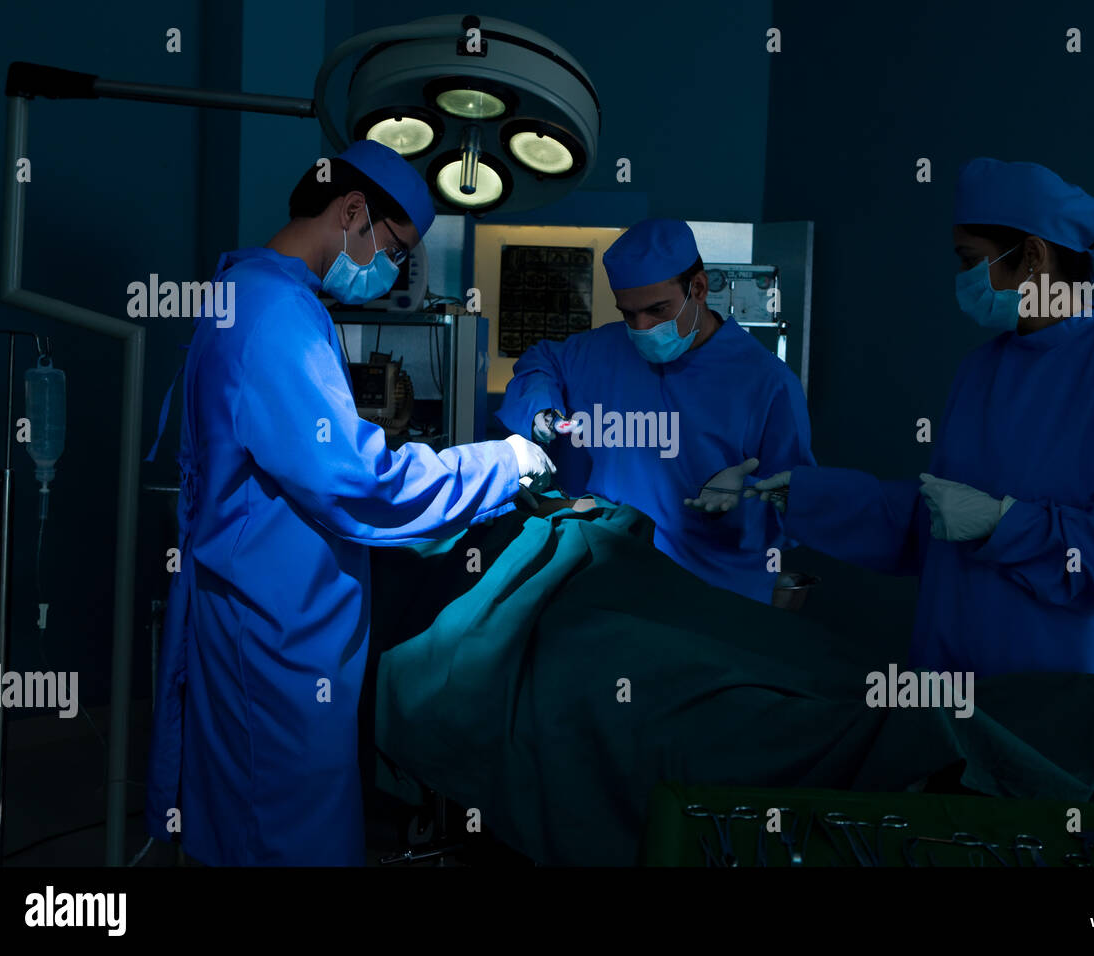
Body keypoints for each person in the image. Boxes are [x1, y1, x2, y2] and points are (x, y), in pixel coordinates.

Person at [725, 158, 1094, 847]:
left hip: (1066, 716)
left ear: (1032, 255)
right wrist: (800, 492)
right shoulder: (981, 370)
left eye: (970, 259)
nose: (962, 278)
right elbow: (936, 519)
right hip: (958, 697)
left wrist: (1012, 525)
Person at [144, 140, 555, 865]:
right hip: (274, 634)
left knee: (258, 820)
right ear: (353, 210)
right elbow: (358, 481)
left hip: (264, 612)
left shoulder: (249, 290)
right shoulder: (274, 314)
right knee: (285, 829)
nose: (392, 272)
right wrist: (504, 464)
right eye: (394, 249)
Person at [495, 218, 814, 603]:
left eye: (657, 310)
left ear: (698, 287)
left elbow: (796, 511)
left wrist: (740, 504)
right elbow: (538, 364)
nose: (642, 328)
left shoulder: (767, 383)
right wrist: (540, 410)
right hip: (603, 585)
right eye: (628, 314)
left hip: (711, 599)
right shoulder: (597, 353)